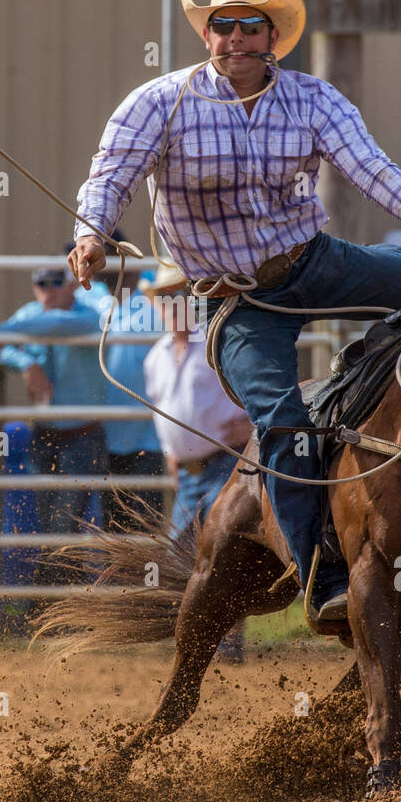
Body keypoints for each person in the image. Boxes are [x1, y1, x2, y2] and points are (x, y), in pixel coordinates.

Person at [68, 0, 401, 624]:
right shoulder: (160, 103)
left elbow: (370, 169)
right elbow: (109, 179)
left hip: (313, 261)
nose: (235, 37)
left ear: (272, 35)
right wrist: (91, 233)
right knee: (280, 418)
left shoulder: (312, 100)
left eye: (249, 25)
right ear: (206, 33)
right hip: (234, 300)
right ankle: (322, 578)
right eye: (222, 25)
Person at [143, 260, 253, 660]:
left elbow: (252, 391)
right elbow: (161, 409)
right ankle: (194, 641)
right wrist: (171, 452)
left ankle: (224, 642)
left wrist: (249, 427)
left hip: (225, 462)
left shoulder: (214, 342)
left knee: (221, 552)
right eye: (166, 297)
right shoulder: (156, 356)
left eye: (180, 295)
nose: (173, 304)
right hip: (190, 471)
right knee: (181, 552)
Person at [0, 255, 108, 589]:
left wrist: (9, 334)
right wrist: (26, 363)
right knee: (50, 522)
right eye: (41, 284)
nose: (47, 290)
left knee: (63, 523)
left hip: (83, 436)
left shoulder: (87, 317)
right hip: (45, 435)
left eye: (55, 282)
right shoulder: (30, 316)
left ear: (71, 285)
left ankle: (53, 600)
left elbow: (52, 326)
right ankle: (60, 600)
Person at [87, 233, 166, 531]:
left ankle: (146, 576)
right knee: (113, 518)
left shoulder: (155, 296)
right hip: (104, 430)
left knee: (147, 517)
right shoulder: (91, 296)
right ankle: (120, 578)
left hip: (148, 431)